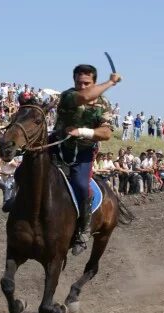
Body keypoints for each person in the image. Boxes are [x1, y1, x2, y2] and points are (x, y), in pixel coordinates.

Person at [53, 64, 120, 255]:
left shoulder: (104, 104)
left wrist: (83, 132)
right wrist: (111, 82)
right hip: (58, 146)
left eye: (86, 83)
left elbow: (106, 133)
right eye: (78, 82)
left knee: (82, 186)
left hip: (82, 154)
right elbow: (85, 97)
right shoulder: (67, 95)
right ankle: (17, 201)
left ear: (94, 82)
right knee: (24, 168)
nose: (81, 86)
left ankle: (82, 230)